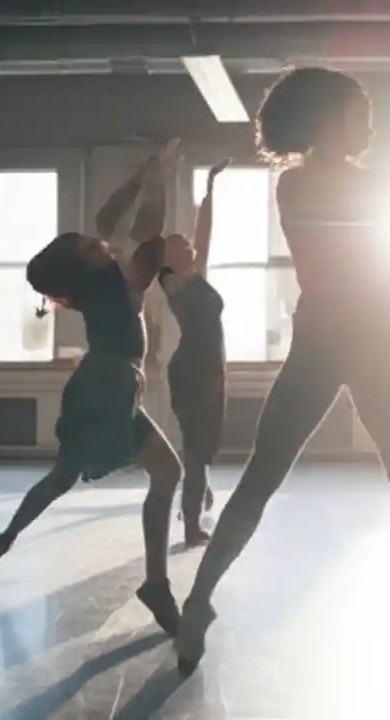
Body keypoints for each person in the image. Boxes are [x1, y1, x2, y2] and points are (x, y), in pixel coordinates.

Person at [174, 67, 390, 674]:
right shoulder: (299, 185)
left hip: (367, 348)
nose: (370, 125)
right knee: (265, 479)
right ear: (326, 120)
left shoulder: (353, 183)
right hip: (327, 348)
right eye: (359, 112)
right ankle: (198, 602)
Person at [0, 145, 185, 636]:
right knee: (153, 472)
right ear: (88, 261)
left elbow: (109, 216)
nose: (95, 239)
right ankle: (153, 580)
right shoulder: (115, 281)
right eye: (88, 243)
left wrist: (143, 170)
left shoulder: (95, 279)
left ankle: (12, 536)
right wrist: (161, 175)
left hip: (108, 384)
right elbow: (149, 230)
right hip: (109, 386)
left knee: (107, 474)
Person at [159, 158, 231, 546]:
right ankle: (190, 524)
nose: (189, 244)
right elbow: (161, 243)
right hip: (192, 373)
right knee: (196, 450)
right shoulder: (171, 281)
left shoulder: (194, 273)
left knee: (204, 445)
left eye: (187, 243)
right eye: (180, 245)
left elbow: (205, 233)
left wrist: (209, 188)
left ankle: (198, 492)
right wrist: (161, 178)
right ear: (166, 258)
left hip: (212, 369)